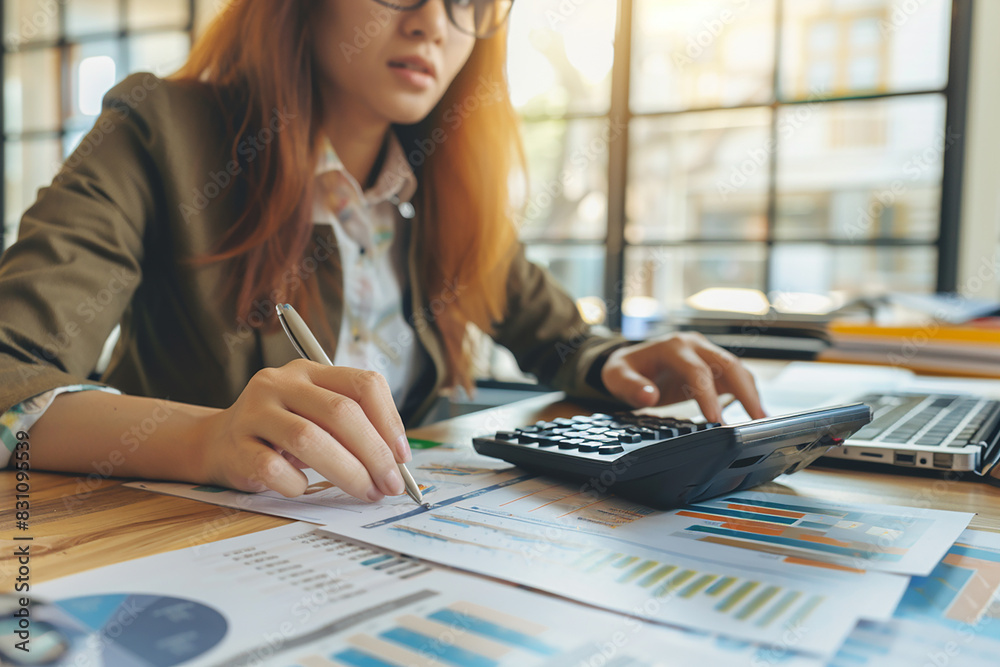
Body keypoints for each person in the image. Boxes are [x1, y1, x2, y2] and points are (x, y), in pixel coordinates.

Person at [0, 0, 765, 503]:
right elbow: (10, 378)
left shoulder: (445, 181)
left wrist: (613, 362)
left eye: (471, 2)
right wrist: (209, 437)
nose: (435, 21)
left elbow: (557, 334)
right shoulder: (160, 129)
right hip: (179, 554)